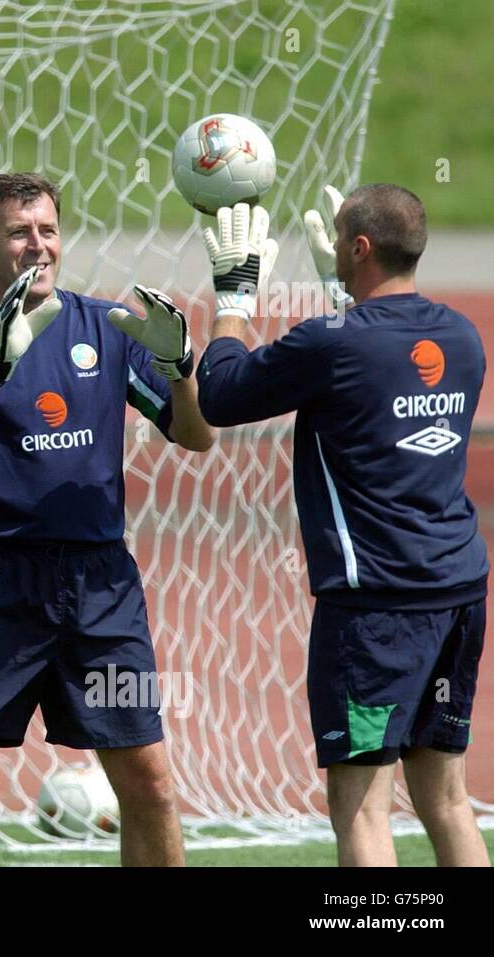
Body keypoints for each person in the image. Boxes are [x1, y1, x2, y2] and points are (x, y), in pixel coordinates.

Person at [0, 172, 215, 866]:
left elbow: (198, 434)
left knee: (149, 783)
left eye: (48, 229)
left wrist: (181, 368)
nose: (39, 244)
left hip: (101, 590)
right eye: (19, 232)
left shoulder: (107, 329)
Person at [195, 185, 490, 866]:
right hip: (457, 594)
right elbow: (381, 382)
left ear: (357, 248)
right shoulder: (461, 335)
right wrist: (347, 301)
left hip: (374, 613)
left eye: (338, 237)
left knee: (361, 808)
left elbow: (219, 393)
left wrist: (235, 301)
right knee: (445, 798)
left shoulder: (331, 344)